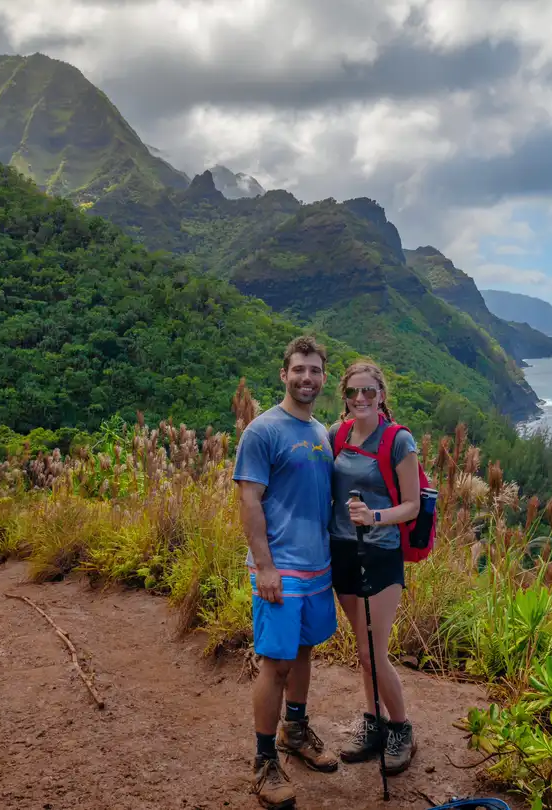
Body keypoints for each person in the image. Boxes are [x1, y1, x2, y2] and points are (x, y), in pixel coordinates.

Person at [232, 335, 340, 809]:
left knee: (303, 652)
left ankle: (294, 730)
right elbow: (249, 500)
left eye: (315, 371)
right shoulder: (262, 431)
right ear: (283, 374)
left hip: (318, 568)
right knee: (275, 663)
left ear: (323, 378)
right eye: (299, 369)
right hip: (280, 570)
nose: (306, 378)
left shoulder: (320, 432)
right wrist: (266, 567)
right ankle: (262, 761)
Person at [327, 359, 420, 775]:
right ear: (344, 398)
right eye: (353, 392)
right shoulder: (337, 434)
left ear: (381, 394)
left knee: (371, 650)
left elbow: (412, 504)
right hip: (342, 550)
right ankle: (372, 722)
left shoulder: (399, 440)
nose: (361, 398)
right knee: (362, 652)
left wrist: (375, 517)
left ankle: (400, 728)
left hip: (381, 553)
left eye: (369, 391)